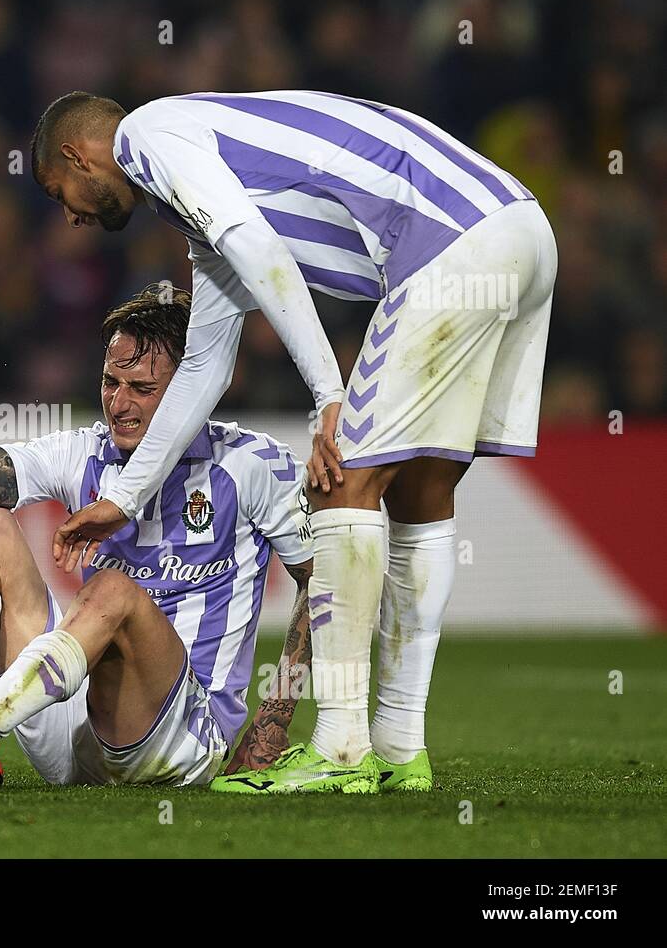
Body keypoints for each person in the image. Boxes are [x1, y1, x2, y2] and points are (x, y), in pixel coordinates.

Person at [31, 89, 555, 792]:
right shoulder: (197, 190)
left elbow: (256, 243)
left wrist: (327, 393)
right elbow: (205, 365)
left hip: (448, 245)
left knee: (340, 483)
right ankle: (400, 750)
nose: (69, 212)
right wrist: (123, 498)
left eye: (58, 189)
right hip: (518, 227)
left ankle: (340, 747)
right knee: (423, 490)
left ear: (76, 155)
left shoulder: (146, 137)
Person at [0, 286, 315, 789]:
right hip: (74, 718)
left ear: (193, 390)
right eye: (109, 382)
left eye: (141, 388)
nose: (118, 404)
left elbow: (321, 583)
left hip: (183, 738)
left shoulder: (252, 464)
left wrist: (271, 727)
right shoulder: (83, 452)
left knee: (114, 591)